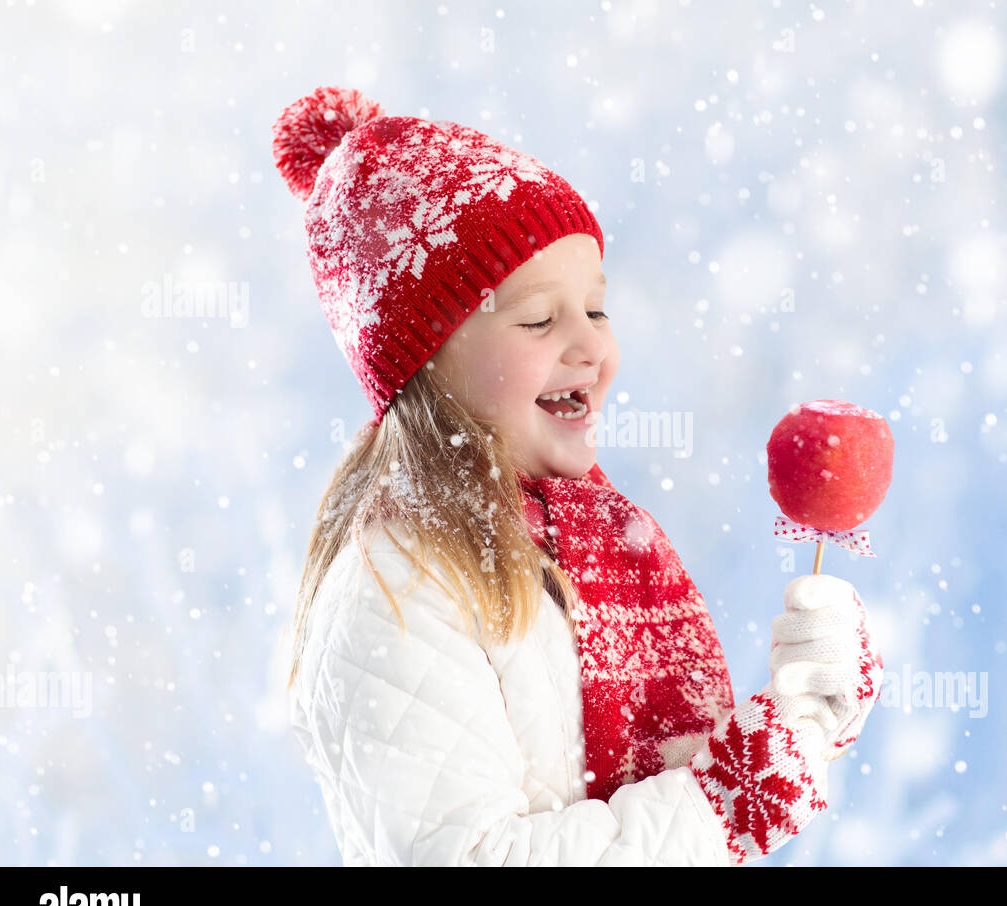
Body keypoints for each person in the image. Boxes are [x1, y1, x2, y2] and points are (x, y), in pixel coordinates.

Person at [272, 86, 885, 866]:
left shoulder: (581, 546)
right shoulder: (398, 582)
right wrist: (731, 798)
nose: (591, 347)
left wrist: (803, 723)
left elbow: (654, 797)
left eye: (596, 310)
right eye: (538, 319)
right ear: (422, 359)